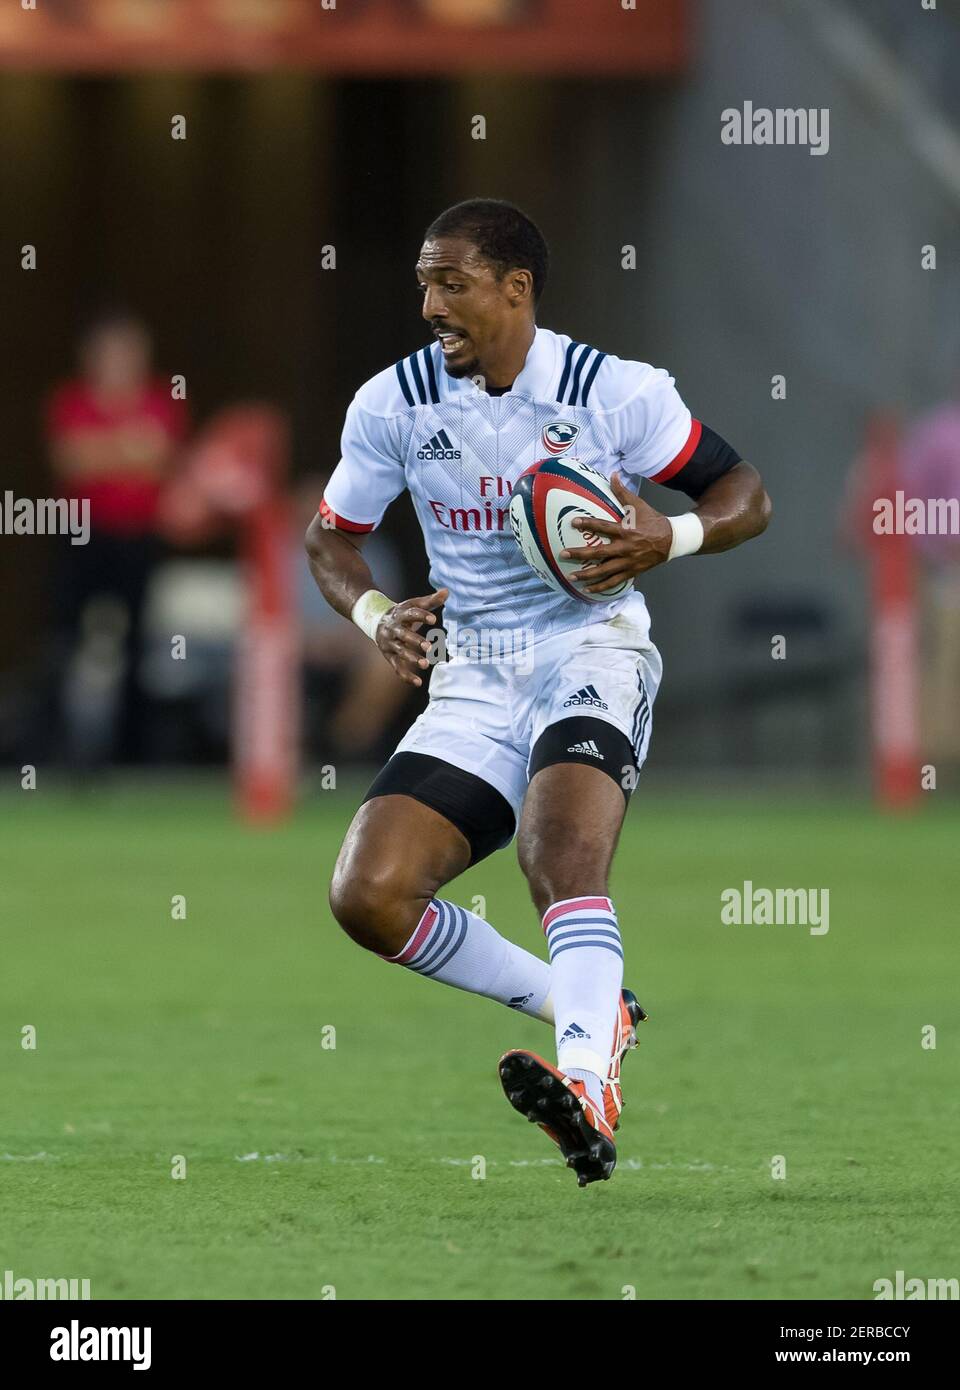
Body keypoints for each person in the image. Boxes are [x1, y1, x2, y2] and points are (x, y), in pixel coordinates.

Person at [306, 200, 771, 1186]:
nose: (430, 304)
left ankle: (587, 1081)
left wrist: (669, 537)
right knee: (369, 895)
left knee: (557, 853)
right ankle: (598, 1005)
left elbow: (744, 496)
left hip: (590, 652)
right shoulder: (395, 401)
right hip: (473, 677)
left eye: (453, 283)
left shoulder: (616, 392)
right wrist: (376, 615)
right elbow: (329, 538)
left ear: (516, 289)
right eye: (424, 283)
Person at [47, 310, 188, 764]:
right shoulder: (70, 400)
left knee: (137, 645)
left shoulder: (160, 399)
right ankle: (61, 749)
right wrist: (129, 447)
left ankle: (128, 753)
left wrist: (103, 448)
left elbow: (162, 457)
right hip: (81, 534)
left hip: (137, 539)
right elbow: (71, 461)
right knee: (67, 640)